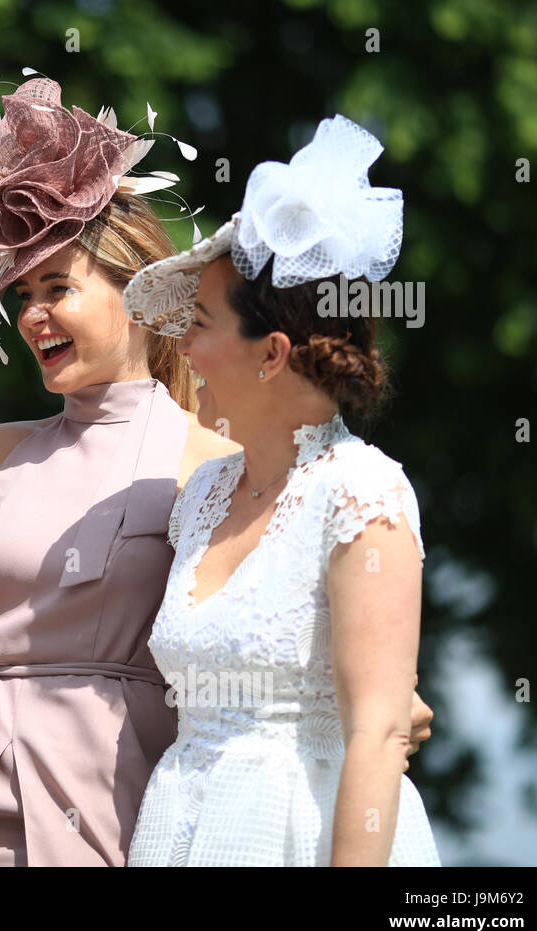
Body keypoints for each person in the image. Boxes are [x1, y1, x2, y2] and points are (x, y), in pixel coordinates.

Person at [0, 78, 433, 866]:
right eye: (21, 294)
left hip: (113, 811)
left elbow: (304, 631)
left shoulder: (216, 464)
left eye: (57, 287)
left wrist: (379, 706)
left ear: (131, 295)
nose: (33, 315)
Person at [123, 115, 441, 865]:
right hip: (178, 829)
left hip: (300, 834)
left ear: (270, 354)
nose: (181, 350)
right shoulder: (200, 497)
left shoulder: (362, 491)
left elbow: (382, 730)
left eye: (197, 324)